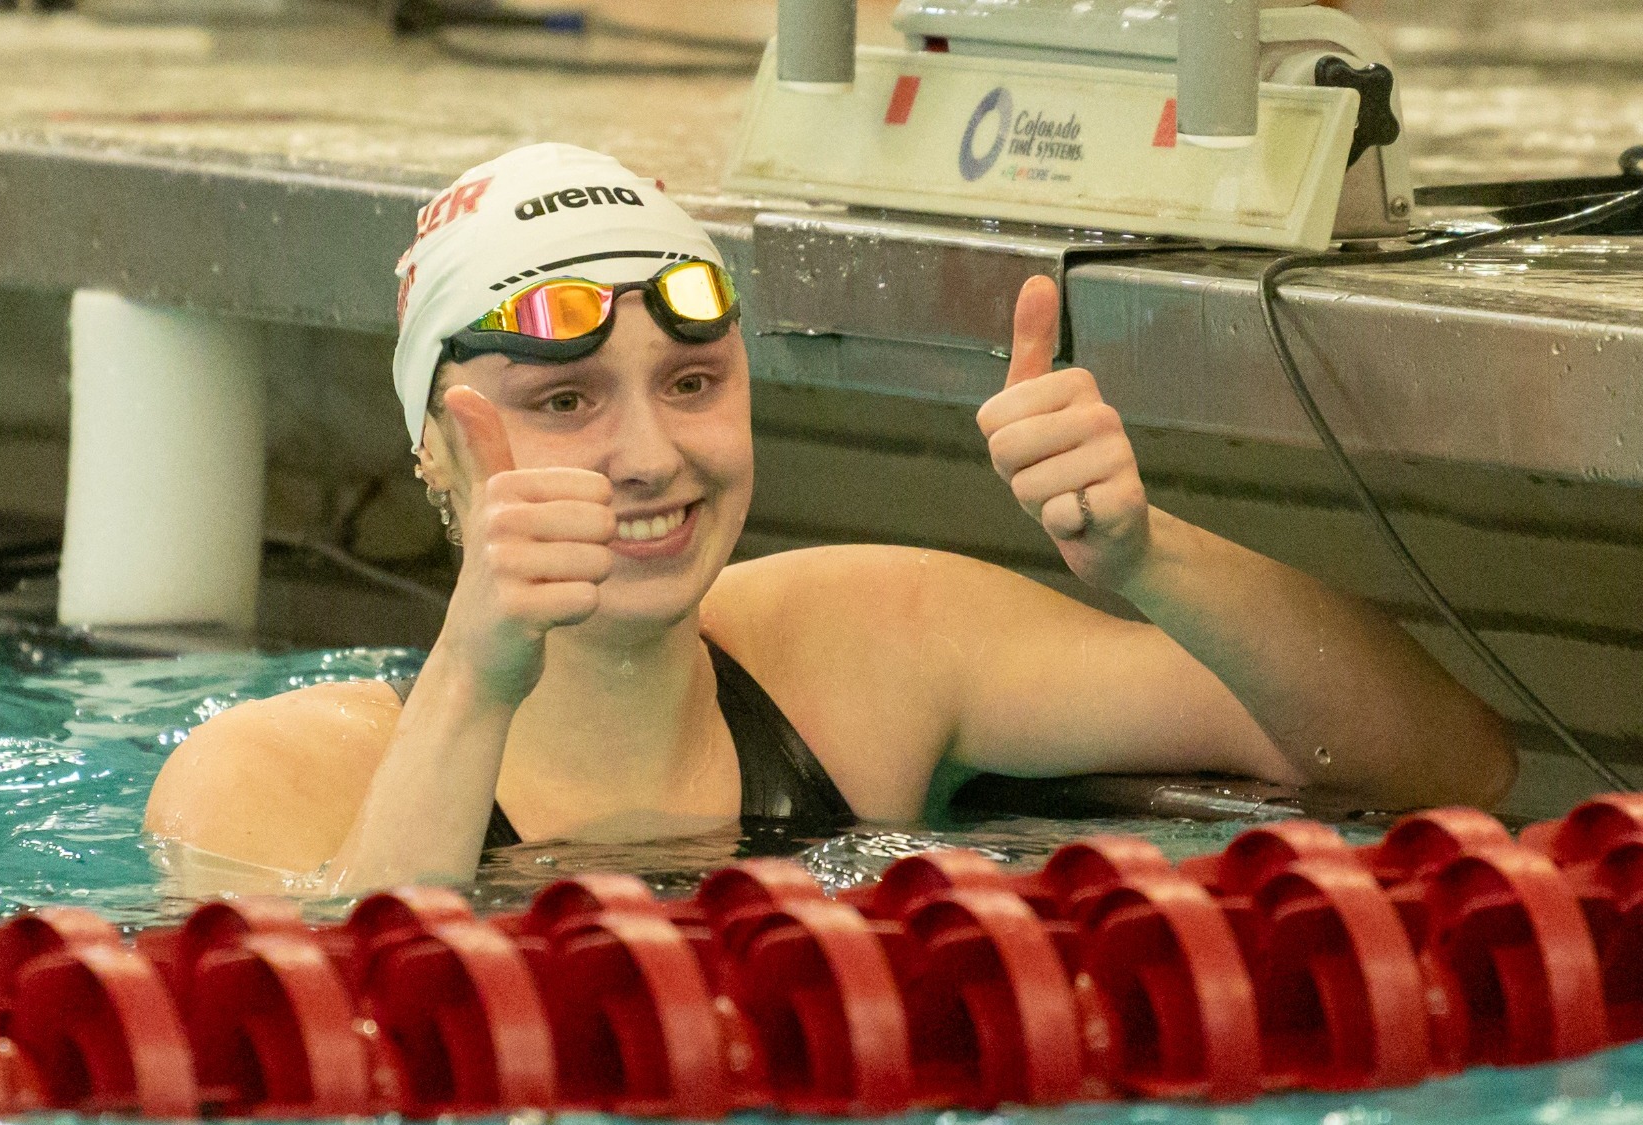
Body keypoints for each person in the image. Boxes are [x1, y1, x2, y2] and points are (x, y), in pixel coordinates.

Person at [144, 143, 1515, 893]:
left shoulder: (869, 642)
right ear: (434, 452)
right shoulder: (261, 782)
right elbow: (353, 1059)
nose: (648, 456)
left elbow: (1447, 768)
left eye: (692, 383)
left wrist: (1151, 560)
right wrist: (475, 679)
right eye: (563, 401)